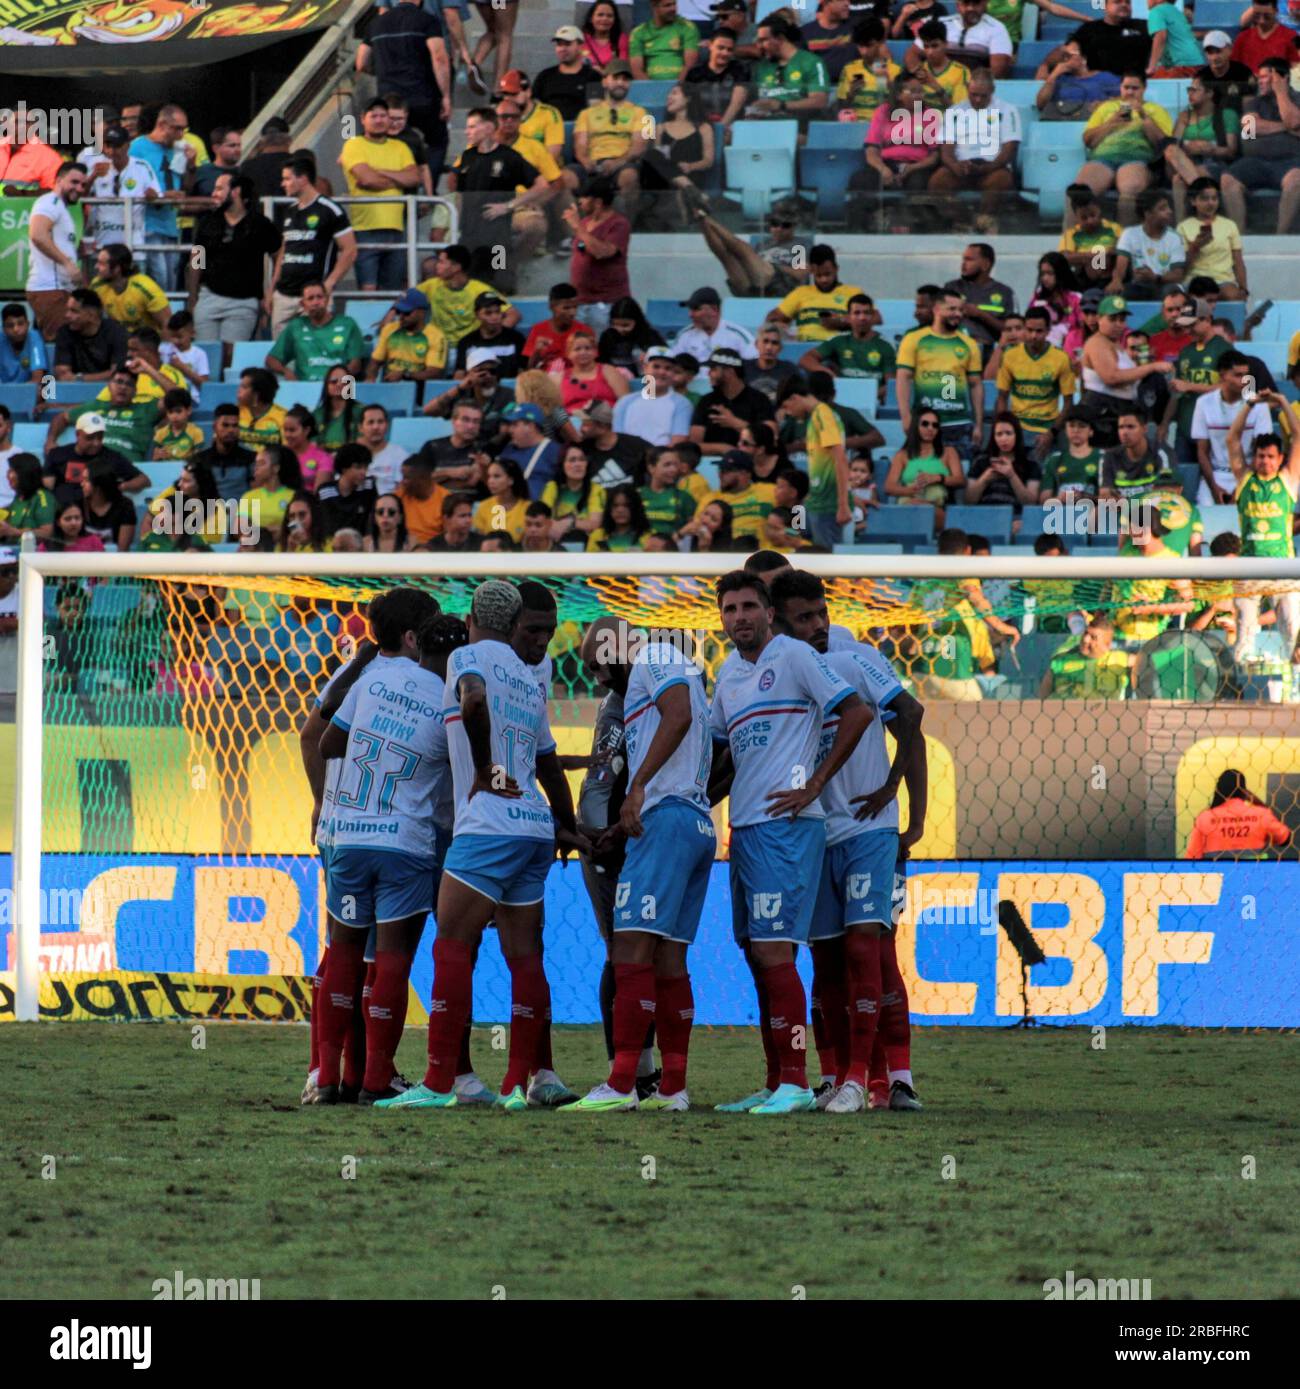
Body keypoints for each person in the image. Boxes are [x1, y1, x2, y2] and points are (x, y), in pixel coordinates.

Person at [376, 581, 589, 1112]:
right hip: (533, 825)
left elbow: (471, 700)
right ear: (516, 622)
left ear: (471, 617)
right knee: (525, 957)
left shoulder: (466, 656)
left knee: (451, 945)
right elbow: (547, 762)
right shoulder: (528, 677)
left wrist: (488, 769)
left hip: (487, 826)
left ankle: (441, 1080)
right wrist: (567, 825)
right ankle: (521, 1083)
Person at [708, 570, 870, 1114]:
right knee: (757, 955)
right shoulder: (727, 676)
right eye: (729, 610)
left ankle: (799, 1082)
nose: (740, 618)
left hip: (788, 825)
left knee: (776, 952)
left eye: (749, 606)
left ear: (768, 611)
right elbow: (718, 757)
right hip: (745, 828)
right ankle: (778, 1078)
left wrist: (815, 784)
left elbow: (858, 712)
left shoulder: (796, 657)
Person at [769, 570, 923, 1112]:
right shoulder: (773, 673)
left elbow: (912, 717)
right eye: (803, 617)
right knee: (829, 961)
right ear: (777, 620)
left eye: (820, 614)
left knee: (871, 948)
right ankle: (840, 1077)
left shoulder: (852, 656)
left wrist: (902, 801)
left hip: (868, 829)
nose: (817, 626)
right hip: (815, 835)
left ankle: (883, 1078)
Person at [563, 621, 714, 1113]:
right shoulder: (669, 675)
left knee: (628, 948)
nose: (600, 679)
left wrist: (640, 787)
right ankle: (672, 1089)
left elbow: (679, 715)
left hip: (664, 819)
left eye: (599, 665)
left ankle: (623, 1082)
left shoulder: (654, 656)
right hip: (694, 822)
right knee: (668, 961)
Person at [311, 589, 445, 1102]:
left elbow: (326, 742)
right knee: (391, 962)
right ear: (415, 638)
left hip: (348, 836)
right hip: (404, 840)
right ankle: (374, 1080)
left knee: (342, 954)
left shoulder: (366, 682)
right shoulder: (442, 691)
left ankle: (326, 1078)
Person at [1226, 388, 1300, 664]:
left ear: (1280, 459)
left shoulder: (1288, 481)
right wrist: (1250, 405)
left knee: (1293, 629)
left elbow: (1298, 436)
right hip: (1249, 564)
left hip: (1283, 565)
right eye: (1260, 456)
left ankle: (1295, 686)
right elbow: (1232, 439)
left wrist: (1280, 401)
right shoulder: (1245, 479)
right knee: (1245, 628)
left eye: (1270, 456)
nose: (1265, 461)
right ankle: (1242, 684)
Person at [355, 0, 452, 184]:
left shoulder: (376, 24)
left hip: (389, 101)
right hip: (423, 97)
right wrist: (446, 96)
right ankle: (427, 191)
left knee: (393, 143)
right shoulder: (427, 20)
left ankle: (400, 187)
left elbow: (361, 63)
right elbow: (439, 58)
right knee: (438, 141)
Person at [188, 173, 281, 362]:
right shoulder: (207, 223)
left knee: (231, 356)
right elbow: (197, 260)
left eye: (220, 188)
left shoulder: (259, 224)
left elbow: (279, 253)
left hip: (243, 301)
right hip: (209, 297)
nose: (214, 193)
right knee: (205, 357)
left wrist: (271, 290)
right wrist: (193, 297)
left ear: (236, 191)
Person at [266, 156, 358, 337]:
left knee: (314, 352)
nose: (283, 184)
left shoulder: (330, 209)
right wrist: (272, 289)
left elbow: (350, 250)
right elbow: (285, 251)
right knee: (282, 356)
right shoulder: (290, 211)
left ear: (303, 178)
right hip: (284, 296)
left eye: (287, 178)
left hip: (313, 296)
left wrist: (329, 284)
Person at [339, 99, 423, 292]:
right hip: (365, 229)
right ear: (362, 119)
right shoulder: (353, 145)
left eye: (383, 115)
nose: (379, 120)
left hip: (396, 228)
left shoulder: (400, 147)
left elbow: (413, 178)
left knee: (393, 291)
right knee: (368, 291)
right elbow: (367, 179)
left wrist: (379, 172)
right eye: (373, 116)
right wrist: (397, 178)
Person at [1076, 71, 1175, 227]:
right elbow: (1088, 140)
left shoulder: (1156, 110)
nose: (1129, 92)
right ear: (1120, 88)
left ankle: (1124, 245)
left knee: (1130, 191)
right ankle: (1071, 245)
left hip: (1136, 159)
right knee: (1079, 193)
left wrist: (1143, 116)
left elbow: (1161, 143)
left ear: (1144, 89)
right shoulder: (1107, 108)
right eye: (1126, 87)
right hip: (1103, 158)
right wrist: (1112, 121)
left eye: (1135, 88)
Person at [927, 69, 1021, 231]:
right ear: (967, 89)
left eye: (983, 96)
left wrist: (987, 167)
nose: (977, 100)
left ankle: (985, 221)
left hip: (992, 166)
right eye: (973, 94)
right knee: (937, 182)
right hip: (962, 166)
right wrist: (955, 166)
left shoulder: (1007, 110)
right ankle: (964, 221)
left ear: (992, 91)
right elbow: (946, 150)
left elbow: (1009, 149)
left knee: (1001, 181)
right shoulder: (954, 112)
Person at [896, 288, 984, 460]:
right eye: (952, 309)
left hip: (959, 424)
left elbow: (975, 384)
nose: (958, 314)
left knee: (958, 478)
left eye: (960, 309)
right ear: (936, 309)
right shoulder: (914, 339)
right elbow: (903, 378)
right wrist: (906, 417)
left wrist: (978, 425)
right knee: (920, 477)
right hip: (925, 424)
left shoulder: (969, 344)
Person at [1220, 57, 1300, 234]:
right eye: (1259, 77)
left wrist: (1281, 93)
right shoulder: (1252, 102)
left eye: (1265, 77)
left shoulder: (1297, 99)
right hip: (1254, 162)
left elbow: (1293, 120)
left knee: (1296, 180)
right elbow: (1249, 130)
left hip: (1290, 163)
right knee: (1228, 180)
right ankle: (1239, 236)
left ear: (1283, 78)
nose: (1259, 81)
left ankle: (1280, 236)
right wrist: (1285, 127)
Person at [775, 373, 851, 547]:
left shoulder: (823, 415)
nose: (788, 413)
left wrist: (843, 504)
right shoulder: (815, 417)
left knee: (824, 557)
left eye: (787, 407)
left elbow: (840, 458)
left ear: (794, 398)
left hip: (828, 503)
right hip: (814, 500)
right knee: (794, 531)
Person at [1192, 350, 1272, 504]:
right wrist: (1214, 488)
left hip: (1249, 472)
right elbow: (1202, 451)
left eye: (1246, 375)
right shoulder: (1203, 403)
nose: (1244, 380)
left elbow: (1261, 451)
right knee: (1206, 512)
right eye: (1237, 375)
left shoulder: (1259, 405)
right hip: (1216, 475)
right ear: (1222, 375)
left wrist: (1242, 486)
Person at [994, 307, 1076, 456]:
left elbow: (1068, 403)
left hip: (1046, 430)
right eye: (1029, 330)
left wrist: (1052, 433)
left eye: (1039, 331)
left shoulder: (1061, 359)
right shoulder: (1010, 356)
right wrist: (1005, 430)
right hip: (1017, 429)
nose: (1033, 336)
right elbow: (1002, 398)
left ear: (1048, 330)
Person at [572, 61, 650, 218]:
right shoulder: (586, 113)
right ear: (604, 81)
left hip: (624, 162)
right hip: (593, 162)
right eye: (616, 78)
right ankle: (572, 235)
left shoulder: (643, 113)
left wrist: (617, 162)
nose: (621, 83)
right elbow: (579, 146)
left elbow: (640, 147)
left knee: (629, 177)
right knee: (566, 178)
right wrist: (586, 160)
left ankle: (625, 231)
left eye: (626, 79)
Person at [696, 199, 810, 300]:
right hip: (757, 287)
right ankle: (701, 220)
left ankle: (706, 218)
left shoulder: (798, 245)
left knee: (741, 250)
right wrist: (759, 265)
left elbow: (799, 274)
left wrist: (770, 265)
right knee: (726, 257)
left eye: (785, 225)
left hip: (782, 288)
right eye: (775, 224)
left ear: (794, 226)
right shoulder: (763, 245)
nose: (779, 229)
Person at [1164, 79, 1242, 223]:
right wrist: (1187, 147)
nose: (1190, 94)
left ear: (1209, 94)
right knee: (1170, 150)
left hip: (1213, 163)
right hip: (1186, 161)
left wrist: (1211, 149)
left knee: (1179, 180)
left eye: (1195, 90)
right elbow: (1175, 145)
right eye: (1189, 90)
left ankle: (1185, 225)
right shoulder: (1184, 116)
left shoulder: (1226, 115)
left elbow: (1231, 151)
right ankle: (1203, 195)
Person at [564, 177, 632, 336]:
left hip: (605, 303)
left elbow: (602, 252)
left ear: (598, 202)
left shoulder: (619, 224)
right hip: (580, 302)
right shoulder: (586, 222)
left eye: (584, 197)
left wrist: (577, 227)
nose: (580, 202)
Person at [26, 162, 87, 339]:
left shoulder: (61, 208)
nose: (79, 188)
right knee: (60, 344)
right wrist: (67, 263)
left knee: (68, 344)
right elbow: (37, 235)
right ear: (59, 180)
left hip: (60, 289)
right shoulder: (49, 202)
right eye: (74, 182)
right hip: (48, 288)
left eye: (83, 184)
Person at [84, 124, 161, 252]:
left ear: (127, 146)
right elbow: (81, 197)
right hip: (103, 244)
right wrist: (92, 177)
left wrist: (153, 196)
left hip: (133, 246)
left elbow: (158, 199)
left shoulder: (141, 166)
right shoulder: (97, 166)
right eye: (108, 146)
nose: (112, 151)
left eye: (117, 146)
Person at [267, 282, 366, 381]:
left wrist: (340, 379)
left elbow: (355, 364)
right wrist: (286, 372)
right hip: (306, 389)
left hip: (338, 388)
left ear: (327, 300)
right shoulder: (296, 326)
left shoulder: (347, 324)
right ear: (303, 304)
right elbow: (272, 359)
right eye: (310, 298)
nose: (316, 302)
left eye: (319, 297)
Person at [884, 407, 964, 528]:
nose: (930, 428)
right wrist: (911, 490)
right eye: (925, 424)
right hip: (908, 503)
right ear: (916, 426)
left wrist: (936, 478)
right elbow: (889, 486)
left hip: (937, 505)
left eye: (935, 425)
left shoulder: (948, 452)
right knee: (912, 508)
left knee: (925, 510)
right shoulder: (902, 455)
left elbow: (960, 480)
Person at [766, 244, 865, 342]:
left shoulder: (853, 293)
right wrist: (779, 326)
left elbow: (874, 318)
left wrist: (841, 322)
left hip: (841, 349)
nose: (824, 280)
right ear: (811, 271)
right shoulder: (800, 293)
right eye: (818, 275)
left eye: (827, 274)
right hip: (805, 349)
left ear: (836, 269)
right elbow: (772, 317)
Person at [1186, 769, 1291, 859]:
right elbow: (1285, 838)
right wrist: (1259, 804)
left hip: (1218, 878)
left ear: (1219, 790)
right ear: (1244, 790)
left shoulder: (1205, 818)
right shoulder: (1260, 814)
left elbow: (1192, 858)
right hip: (1254, 877)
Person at [748, 16, 831, 121]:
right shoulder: (762, 67)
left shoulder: (812, 62)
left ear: (780, 38)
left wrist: (781, 105)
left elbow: (820, 101)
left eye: (763, 40)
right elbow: (759, 102)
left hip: (801, 125)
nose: (759, 46)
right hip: (767, 126)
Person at [1039, 0, 1150, 78]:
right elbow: (1068, 51)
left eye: (1127, 2)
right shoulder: (1090, 28)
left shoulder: (1143, 26)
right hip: (1097, 86)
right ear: (1105, 6)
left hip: (1134, 86)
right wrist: (1045, 65)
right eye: (1117, 1)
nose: (1124, 5)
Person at [904, 0, 1013, 79]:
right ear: (958, 5)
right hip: (936, 85)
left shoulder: (996, 28)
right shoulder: (941, 23)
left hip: (974, 91)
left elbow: (998, 71)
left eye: (976, 3)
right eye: (966, 3)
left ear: (985, 3)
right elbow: (911, 55)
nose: (971, 8)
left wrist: (963, 83)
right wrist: (924, 78)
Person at [966, 413, 1043, 522]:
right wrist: (984, 479)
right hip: (983, 515)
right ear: (993, 436)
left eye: (1008, 433)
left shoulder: (1030, 463)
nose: (1004, 439)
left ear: (1017, 434)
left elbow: (1031, 503)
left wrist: (1012, 476)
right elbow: (968, 501)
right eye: (999, 434)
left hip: (1016, 517)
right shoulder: (981, 461)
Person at [611, 346, 693, 447]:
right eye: (656, 367)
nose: (662, 372)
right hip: (628, 458)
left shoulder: (682, 404)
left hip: (662, 459)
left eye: (668, 368)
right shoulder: (625, 402)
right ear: (645, 368)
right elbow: (616, 437)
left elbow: (678, 441)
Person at [1038, 614, 1134, 696]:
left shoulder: (1121, 659)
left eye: (1093, 637)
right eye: (1085, 633)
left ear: (1107, 644)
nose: (1085, 640)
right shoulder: (1060, 661)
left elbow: (1145, 659)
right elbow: (1042, 697)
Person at [367, 288, 448, 383]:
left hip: (420, 389)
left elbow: (434, 372)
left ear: (421, 312)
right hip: (391, 388)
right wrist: (370, 379)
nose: (401, 317)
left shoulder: (436, 336)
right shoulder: (389, 329)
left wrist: (405, 375)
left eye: (406, 312)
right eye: (398, 312)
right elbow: (375, 361)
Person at [670, 286, 758, 370]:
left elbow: (753, 365)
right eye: (690, 310)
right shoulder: (684, 335)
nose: (690, 315)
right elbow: (672, 366)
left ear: (714, 310)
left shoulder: (738, 335)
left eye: (696, 309)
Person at [1098, 405, 1174, 500]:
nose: (1124, 432)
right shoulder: (1110, 456)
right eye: (1121, 427)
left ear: (1144, 429)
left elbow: (1168, 492)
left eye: (1130, 427)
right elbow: (1105, 495)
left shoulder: (1160, 453)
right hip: (1121, 511)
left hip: (1154, 510)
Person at [686, 23, 752, 131]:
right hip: (701, 127)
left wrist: (720, 128)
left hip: (733, 127)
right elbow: (690, 105)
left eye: (729, 49)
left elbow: (737, 102)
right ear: (710, 45)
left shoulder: (740, 69)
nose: (725, 53)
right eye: (720, 48)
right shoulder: (695, 73)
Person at [1035, 39, 1121, 117]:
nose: (1065, 59)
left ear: (1084, 57)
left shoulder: (1105, 77)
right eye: (1063, 56)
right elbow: (1041, 105)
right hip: (1064, 122)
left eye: (1069, 55)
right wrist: (1054, 74)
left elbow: (1125, 100)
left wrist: (1105, 104)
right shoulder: (1058, 80)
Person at [534, 25, 600, 123]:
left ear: (580, 46)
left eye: (567, 44)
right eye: (559, 44)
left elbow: (596, 110)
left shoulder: (593, 76)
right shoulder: (544, 76)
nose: (562, 49)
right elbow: (533, 106)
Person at [194, 403, 256, 501]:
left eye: (235, 425)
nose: (231, 430)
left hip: (242, 514)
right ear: (214, 427)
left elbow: (257, 493)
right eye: (225, 425)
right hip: (211, 514)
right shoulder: (201, 459)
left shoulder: (251, 458)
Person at [1040, 407, 1101, 501]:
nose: (1076, 430)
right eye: (1072, 426)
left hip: (1094, 513)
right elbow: (1043, 499)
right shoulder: (1053, 459)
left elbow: (1112, 498)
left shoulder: (1103, 458)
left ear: (1091, 431)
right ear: (1065, 430)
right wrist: (1059, 499)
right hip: (1059, 513)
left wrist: (1087, 498)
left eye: (1082, 426)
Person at [629, 0, 700, 81]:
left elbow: (689, 65)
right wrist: (653, 90)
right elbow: (637, 71)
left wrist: (676, 87)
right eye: (667, 5)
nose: (673, 8)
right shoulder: (639, 32)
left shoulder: (687, 27)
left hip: (681, 87)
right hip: (650, 88)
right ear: (654, 7)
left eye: (674, 4)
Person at [317, 442, 377, 537]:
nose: (364, 472)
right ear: (344, 468)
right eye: (358, 467)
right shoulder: (325, 492)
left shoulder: (368, 487)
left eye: (366, 467)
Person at [598, 296, 666, 375]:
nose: (620, 329)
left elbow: (665, 355)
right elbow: (601, 361)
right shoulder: (607, 336)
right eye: (615, 324)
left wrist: (651, 356)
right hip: (613, 376)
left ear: (636, 322)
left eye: (625, 325)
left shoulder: (649, 335)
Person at [0, 454, 56, 543]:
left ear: (24, 473)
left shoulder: (42, 497)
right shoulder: (18, 497)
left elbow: (46, 533)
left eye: (11, 471)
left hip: (33, 554)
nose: (8, 476)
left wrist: (14, 532)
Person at [1231, 0, 1299, 72]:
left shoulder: (1290, 36)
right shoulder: (1243, 38)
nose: (1261, 21)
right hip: (1248, 81)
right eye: (1257, 15)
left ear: (1276, 11)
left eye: (1267, 16)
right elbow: (1233, 68)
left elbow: (1295, 71)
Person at [1195, 30, 1255, 111]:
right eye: (1210, 53)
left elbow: (1250, 105)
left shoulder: (1243, 72)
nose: (1214, 57)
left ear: (1230, 50)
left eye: (1218, 51)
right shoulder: (1201, 76)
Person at [1145, 0, 1203, 75]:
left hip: (1182, 66)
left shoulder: (1156, 11)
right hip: (1196, 64)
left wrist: (1151, 67)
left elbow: (1161, 36)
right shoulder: (1177, 12)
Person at [237, 367, 287, 453]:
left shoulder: (283, 417)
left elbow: (287, 451)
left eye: (244, 387)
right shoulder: (234, 412)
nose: (238, 391)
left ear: (257, 394)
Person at [0, 303, 47, 388]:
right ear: (3, 328)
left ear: (28, 324)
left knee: (39, 391)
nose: (16, 329)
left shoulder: (34, 338)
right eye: (10, 325)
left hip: (28, 393)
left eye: (20, 324)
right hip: (3, 394)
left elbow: (37, 379)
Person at [584, 0, 629, 72]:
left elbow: (622, 69)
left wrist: (602, 72)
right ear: (591, 18)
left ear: (614, 20)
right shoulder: (581, 39)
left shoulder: (622, 39)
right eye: (600, 15)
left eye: (609, 16)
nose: (605, 19)